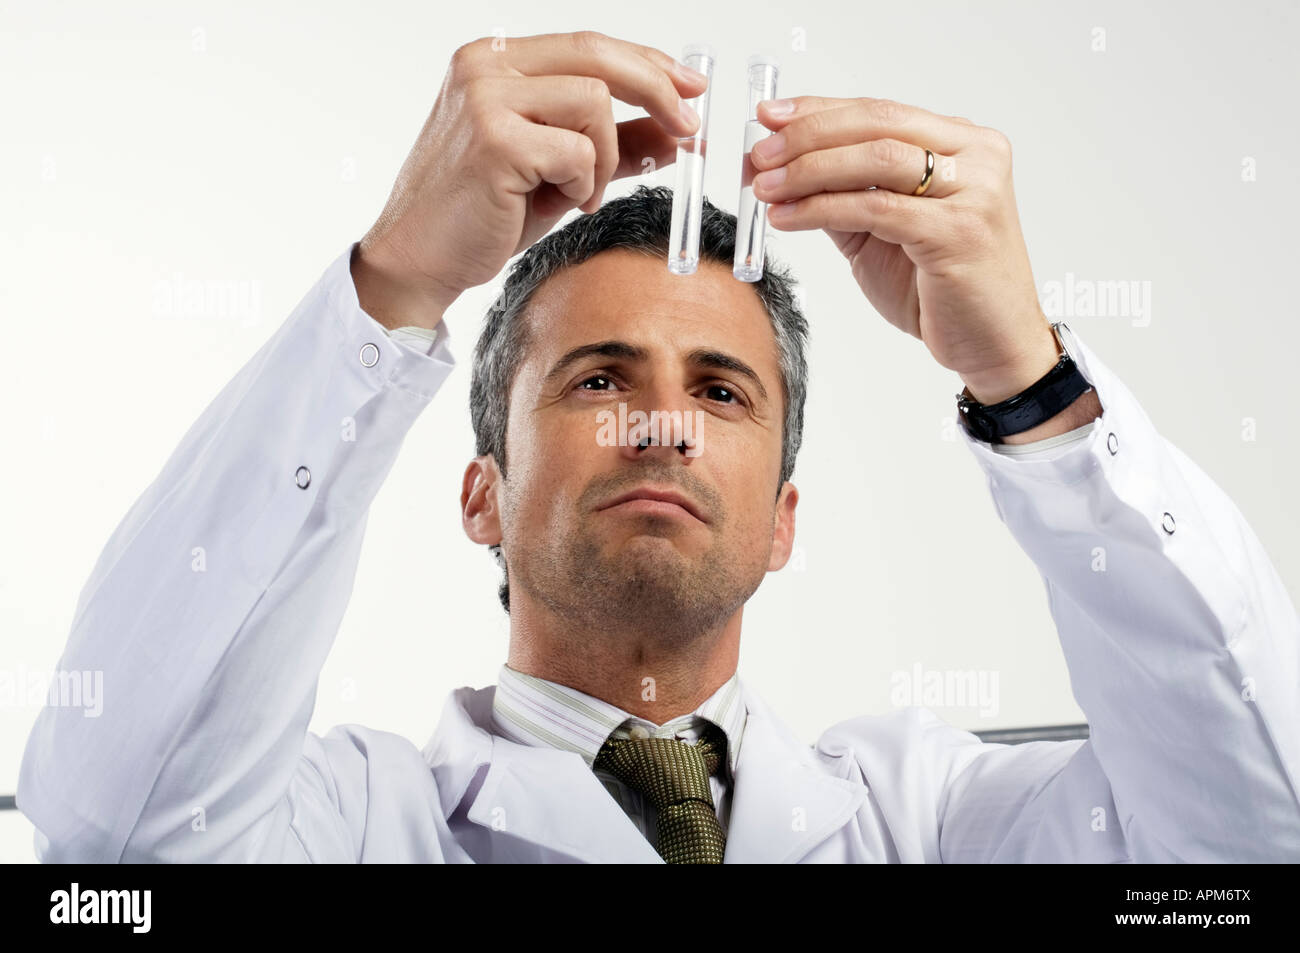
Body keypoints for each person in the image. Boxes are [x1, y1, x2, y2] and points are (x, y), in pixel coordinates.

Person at [18, 31, 1299, 863]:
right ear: (483, 492)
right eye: (595, 377)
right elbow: (112, 830)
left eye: (724, 391)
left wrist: (1027, 379)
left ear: (785, 519)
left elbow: (1252, 827)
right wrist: (396, 280)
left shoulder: (938, 821)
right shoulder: (353, 826)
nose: (662, 420)